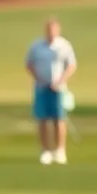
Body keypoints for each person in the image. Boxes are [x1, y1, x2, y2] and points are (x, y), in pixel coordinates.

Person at [25, 17, 78, 165]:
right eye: (48, 30)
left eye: (53, 29)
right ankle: (46, 151)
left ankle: (60, 151)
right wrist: (39, 78)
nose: (51, 32)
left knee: (59, 119)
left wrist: (61, 80)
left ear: (58, 30)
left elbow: (71, 65)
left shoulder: (64, 46)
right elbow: (29, 64)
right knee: (42, 119)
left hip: (59, 88)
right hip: (41, 87)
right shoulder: (37, 46)